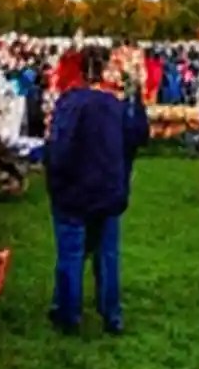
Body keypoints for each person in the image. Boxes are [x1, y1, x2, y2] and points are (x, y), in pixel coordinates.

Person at [46, 48, 149, 335]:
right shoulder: (116, 105)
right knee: (107, 255)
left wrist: (53, 175)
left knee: (71, 254)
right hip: (109, 190)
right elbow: (138, 136)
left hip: (74, 192)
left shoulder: (70, 103)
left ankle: (68, 313)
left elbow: (60, 149)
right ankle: (111, 314)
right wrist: (136, 98)